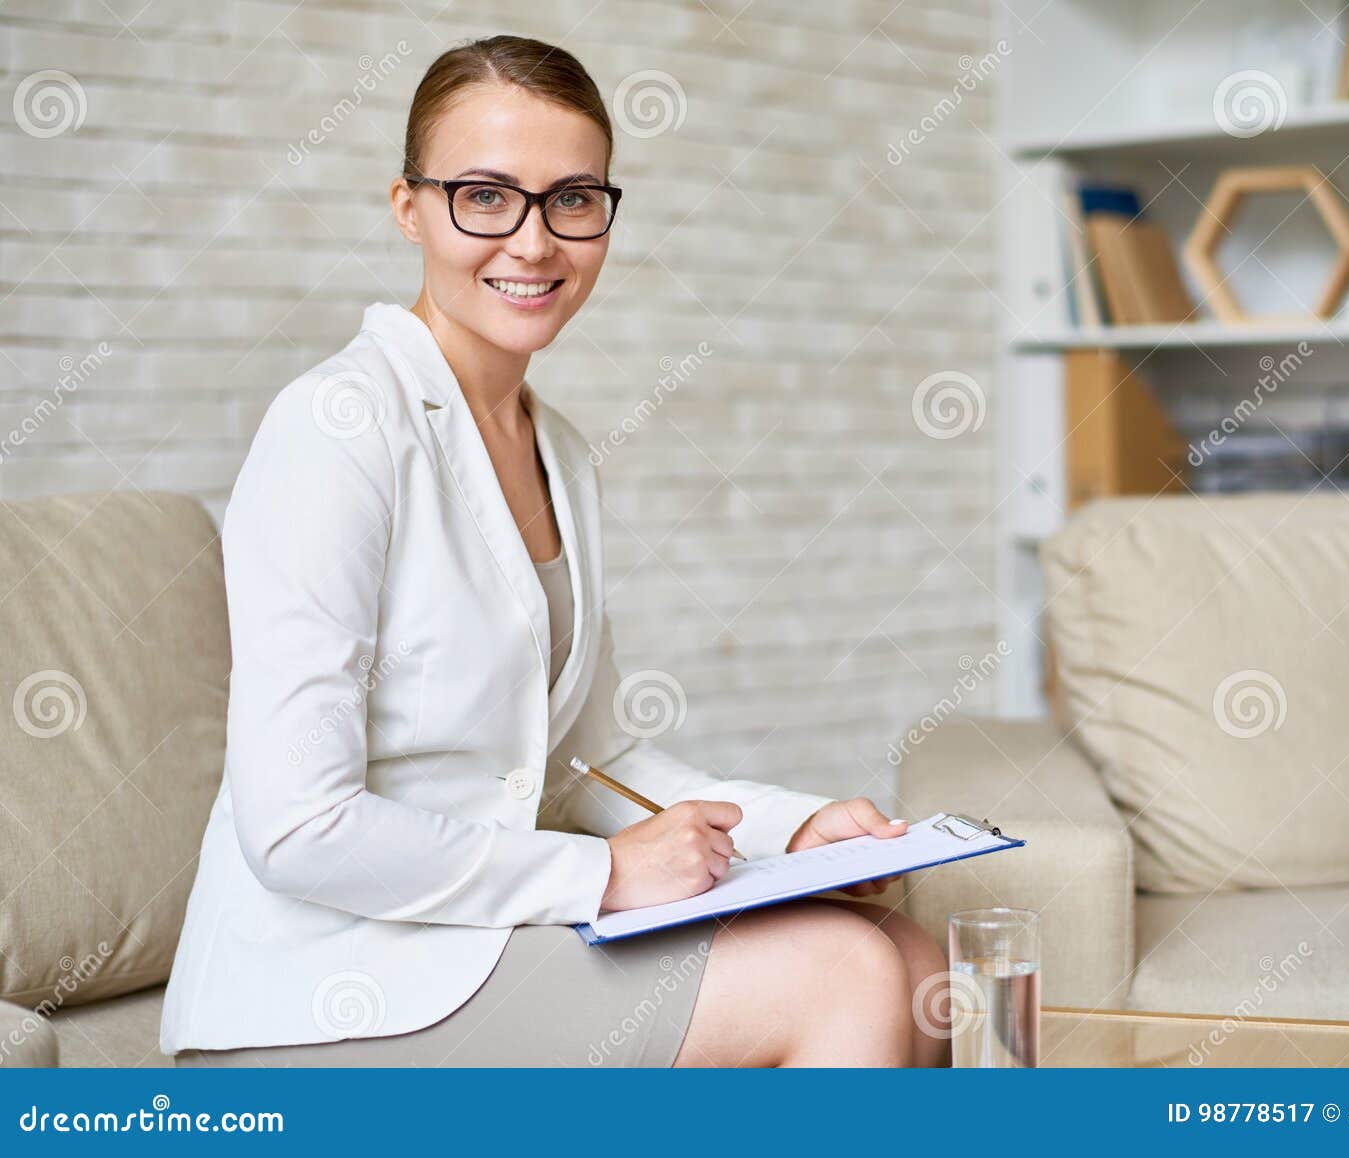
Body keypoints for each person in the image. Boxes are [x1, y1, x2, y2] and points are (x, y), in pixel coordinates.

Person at [160, 34, 948, 1068]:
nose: (533, 243)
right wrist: (601, 878)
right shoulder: (339, 427)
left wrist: (794, 833)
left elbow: (592, 760)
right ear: (409, 207)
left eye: (572, 199)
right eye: (485, 196)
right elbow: (298, 828)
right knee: (842, 976)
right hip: (327, 984)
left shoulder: (559, 451)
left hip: (483, 935)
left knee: (917, 963)